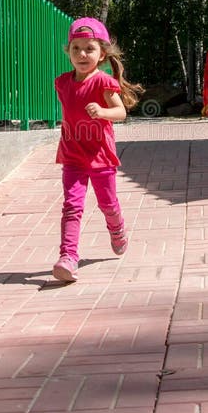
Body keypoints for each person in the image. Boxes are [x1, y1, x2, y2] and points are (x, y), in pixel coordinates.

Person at [52, 17, 143, 283]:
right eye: (76, 48)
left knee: (108, 204)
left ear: (102, 53)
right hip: (72, 155)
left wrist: (102, 112)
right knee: (71, 206)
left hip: (100, 156)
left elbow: (121, 112)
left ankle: (117, 230)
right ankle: (68, 257)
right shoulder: (62, 82)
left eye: (89, 48)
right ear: (68, 51)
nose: (82, 54)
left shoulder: (103, 82)